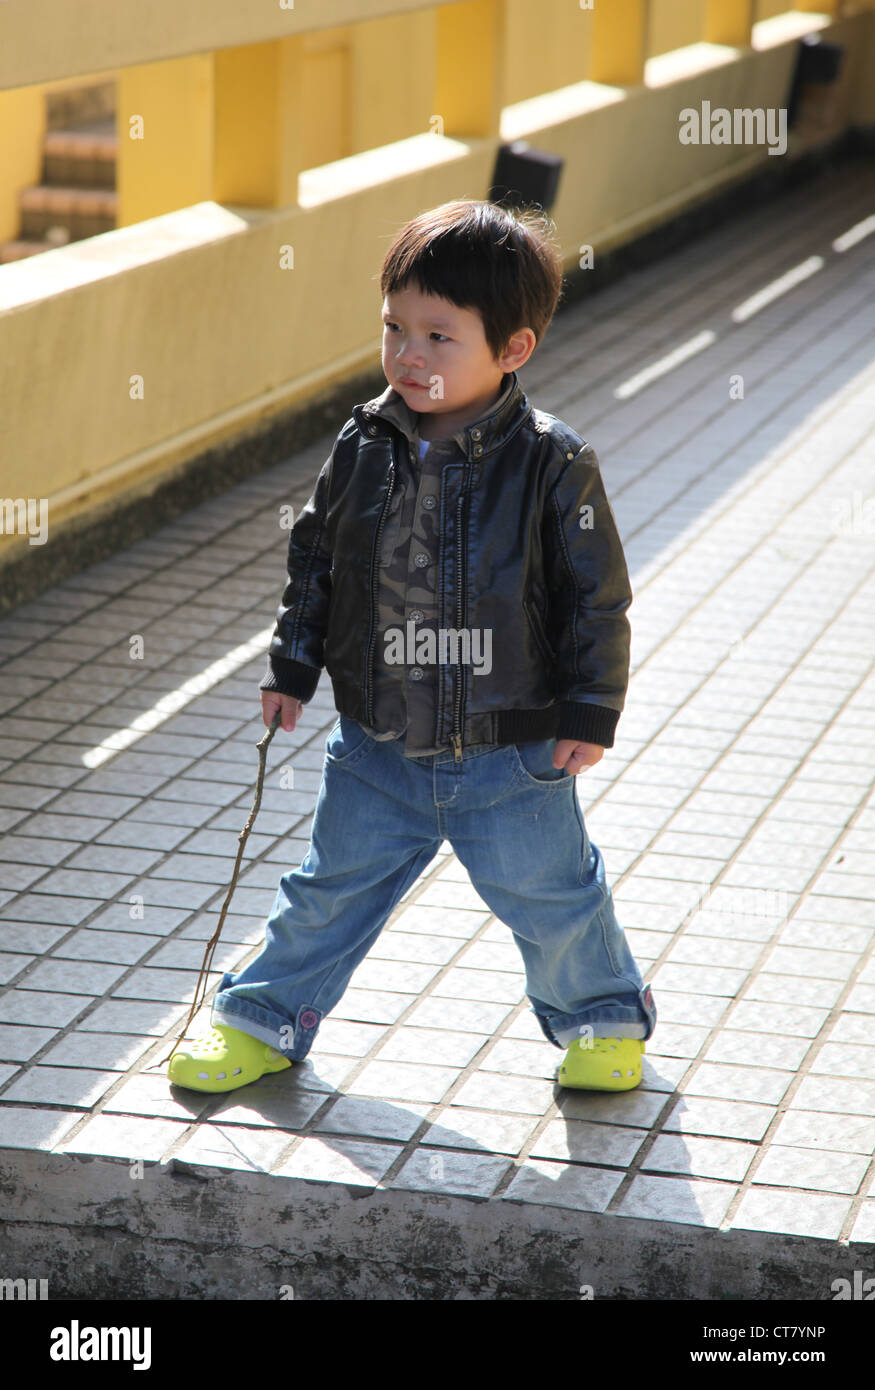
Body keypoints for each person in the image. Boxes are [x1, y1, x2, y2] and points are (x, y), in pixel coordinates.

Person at [167, 198, 657, 1096]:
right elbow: (316, 557)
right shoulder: (364, 441)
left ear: (512, 348)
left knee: (552, 896)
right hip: (376, 745)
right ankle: (260, 1021)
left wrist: (590, 707)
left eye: (439, 336)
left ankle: (600, 1022)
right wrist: (292, 664)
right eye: (395, 327)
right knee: (327, 889)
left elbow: (595, 594)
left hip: (509, 751)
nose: (408, 354)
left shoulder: (552, 461)